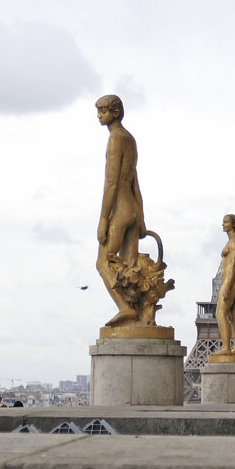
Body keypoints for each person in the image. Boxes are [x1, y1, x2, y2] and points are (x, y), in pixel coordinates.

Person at [95, 94, 147, 325]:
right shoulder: (130, 138)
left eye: (103, 111)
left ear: (115, 112)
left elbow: (112, 183)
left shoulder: (115, 139)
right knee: (131, 268)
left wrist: (104, 219)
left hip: (120, 209)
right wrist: (141, 216)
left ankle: (125, 308)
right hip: (133, 208)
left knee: (103, 262)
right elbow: (135, 180)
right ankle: (138, 319)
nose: (99, 116)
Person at [214, 214, 235, 357]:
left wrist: (226, 286)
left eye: (225, 222)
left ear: (233, 224)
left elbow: (233, 266)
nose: (223, 224)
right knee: (234, 316)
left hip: (231, 281)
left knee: (220, 313)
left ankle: (226, 347)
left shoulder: (234, 242)